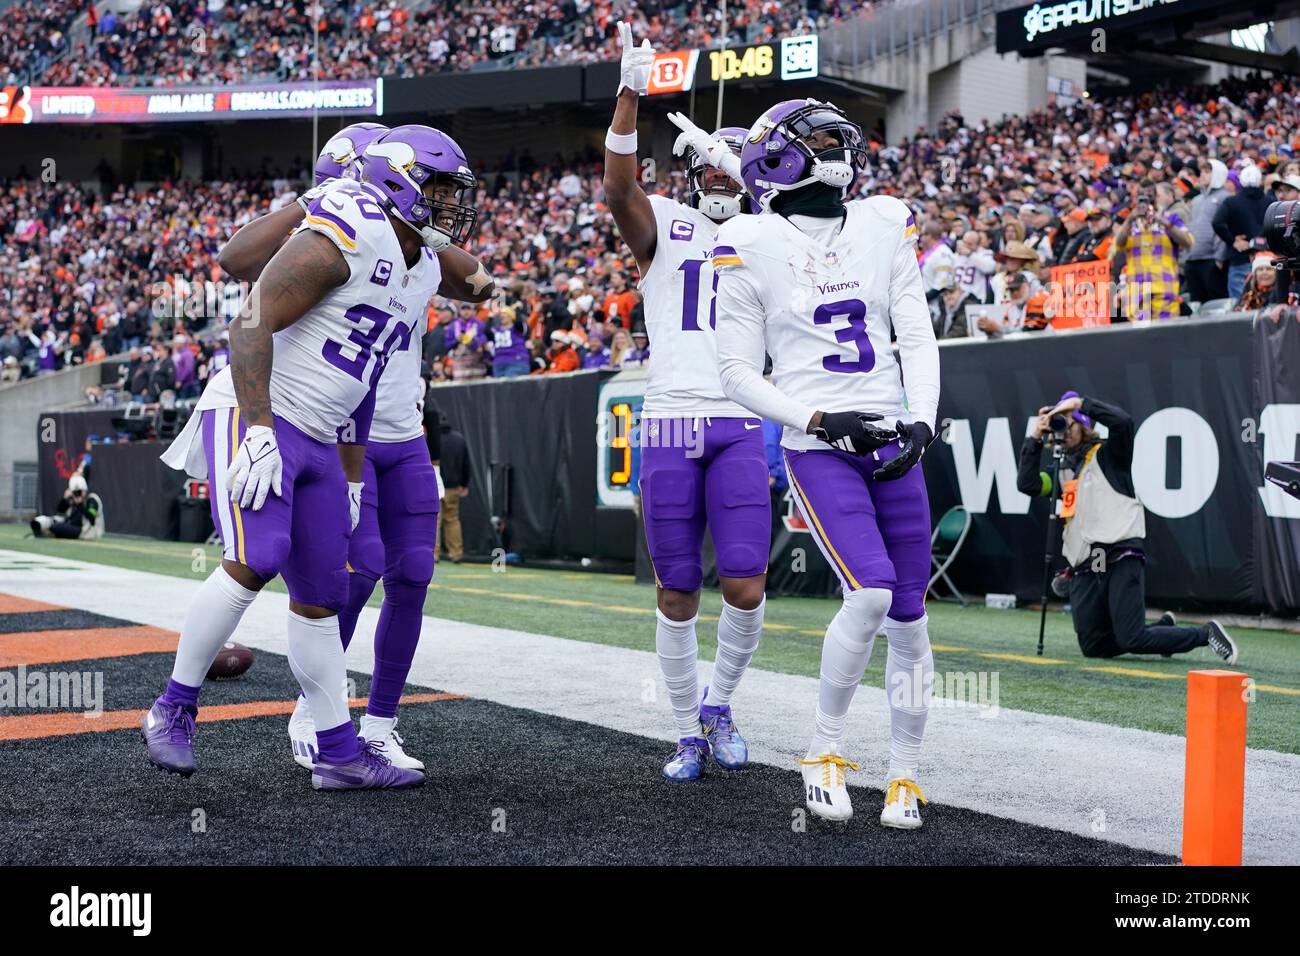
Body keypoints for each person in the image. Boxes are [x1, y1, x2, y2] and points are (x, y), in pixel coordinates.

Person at [146, 124, 461, 792]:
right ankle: (172, 708)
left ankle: (339, 753)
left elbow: (365, 380)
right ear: (402, 183)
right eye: (439, 187)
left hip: (323, 431)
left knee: (321, 596)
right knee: (258, 556)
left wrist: (351, 473)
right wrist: (258, 431)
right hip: (257, 408)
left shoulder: (423, 264)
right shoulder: (354, 224)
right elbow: (251, 319)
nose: (451, 203)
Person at [218, 124, 493, 773]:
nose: (446, 201)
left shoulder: (415, 251)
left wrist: (424, 228)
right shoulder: (337, 239)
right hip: (350, 432)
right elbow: (238, 264)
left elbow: (481, 282)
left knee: (414, 578)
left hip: (407, 433)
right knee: (359, 567)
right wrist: (330, 200)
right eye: (435, 188)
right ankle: (317, 709)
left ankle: (381, 724)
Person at [712, 97, 940, 829]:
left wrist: (923, 423)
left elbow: (917, 330)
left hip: (893, 435)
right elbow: (735, 374)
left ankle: (905, 771)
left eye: (837, 133)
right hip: (822, 445)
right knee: (871, 594)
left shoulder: (881, 221)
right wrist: (813, 419)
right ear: (775, 156)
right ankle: (824, 749)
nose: (837, 144)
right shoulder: (748, 238)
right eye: (815, 137)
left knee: (910, 618)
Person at [604, 20, 771, 782]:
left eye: (729, 162)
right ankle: (685, 732)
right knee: (677, 590)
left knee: (745, 582)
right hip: (670, 420)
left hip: (740, 420)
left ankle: (720, 704)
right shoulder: (663, 225)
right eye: (706, 160)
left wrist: (756, 181)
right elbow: (617, 187)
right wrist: (630, 96)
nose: (715, 171)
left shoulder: (775, 234)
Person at [1016, 392, 1238, 663]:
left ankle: (1205, 634)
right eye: (1058, 423)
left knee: (1131, 638)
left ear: (1084, 425)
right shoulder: (1061, 470)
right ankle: (1163, 632)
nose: (1063, 430)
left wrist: (1080, 404)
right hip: (1087, 564)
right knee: (1094, 646)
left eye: (1069, 423)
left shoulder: (1110, 455)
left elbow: (1124, 423)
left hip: (1119, 554)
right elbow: (1027, 484)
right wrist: (1035, 437)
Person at [1213, 163, 1270, 301]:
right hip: (1266, 258)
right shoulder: (1271, 202)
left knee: (1241, 303)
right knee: (1267, 301)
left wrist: (1233, 240)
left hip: (1240, 257)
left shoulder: (1231, 202)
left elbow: (1217, 223)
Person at [1184, 159, 1230, 304]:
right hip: (1192, 259)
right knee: (1195, 304)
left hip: (1211, 260)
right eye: (1202, 171)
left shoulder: (1225, 198)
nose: (1202, 175)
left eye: (1207, 171)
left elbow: (1224, 228)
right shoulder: (1196, 200)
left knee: (1215, 303)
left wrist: (1219, 258)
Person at [437, 414, 470, 563]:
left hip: (434, 486)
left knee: (434, 521)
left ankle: (433, 554)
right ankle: (456, 553)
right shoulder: (459, 439)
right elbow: (466, 464)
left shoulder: (431, 439)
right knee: (452, 520)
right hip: (453, 487)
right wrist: (464, 484)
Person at [30, 473, 102, 540]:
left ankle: (49, 532)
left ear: (85, 489)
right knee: (51, 520)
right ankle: (40, 529)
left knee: (57, 527)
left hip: (86, 531)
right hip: (71, 525)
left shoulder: (92, 500)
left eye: (80, 491)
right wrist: (65, 499)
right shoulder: (73, 499)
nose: (78, 494)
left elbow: (92, 518)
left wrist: (80, 504)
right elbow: (60, 512)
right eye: (75, 492)